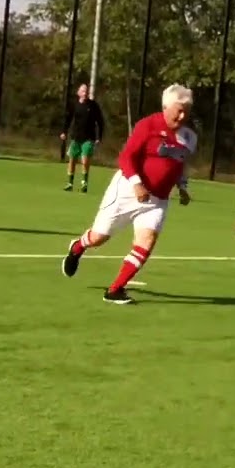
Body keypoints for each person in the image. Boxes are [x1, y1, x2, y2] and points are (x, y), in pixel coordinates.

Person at [60, 84, 195, 305]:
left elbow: (180, 163)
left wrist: (182, 187)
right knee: (99, 237)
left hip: (157, 200)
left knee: (147, 240)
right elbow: (126, 158)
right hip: (126, 191)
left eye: (187, 111)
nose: (183, 116)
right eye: (179, 110)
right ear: (165, 107)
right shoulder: (148, 125)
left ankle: (115, 290)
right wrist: (137, 184)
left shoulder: (189, 137)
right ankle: (78, 247)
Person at [60, 83, 106, 192]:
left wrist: (99, 136)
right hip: (76, 137)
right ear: (78, 93)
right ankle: (70, 183)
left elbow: (100, 121)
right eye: (83, 91)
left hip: (88, 138)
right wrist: (64, 132)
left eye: (86, 91)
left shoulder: (93, 106)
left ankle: (84, 183)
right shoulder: (74, 105)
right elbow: (68, 119)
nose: (85, 93)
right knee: (72, 160)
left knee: (85, 160)